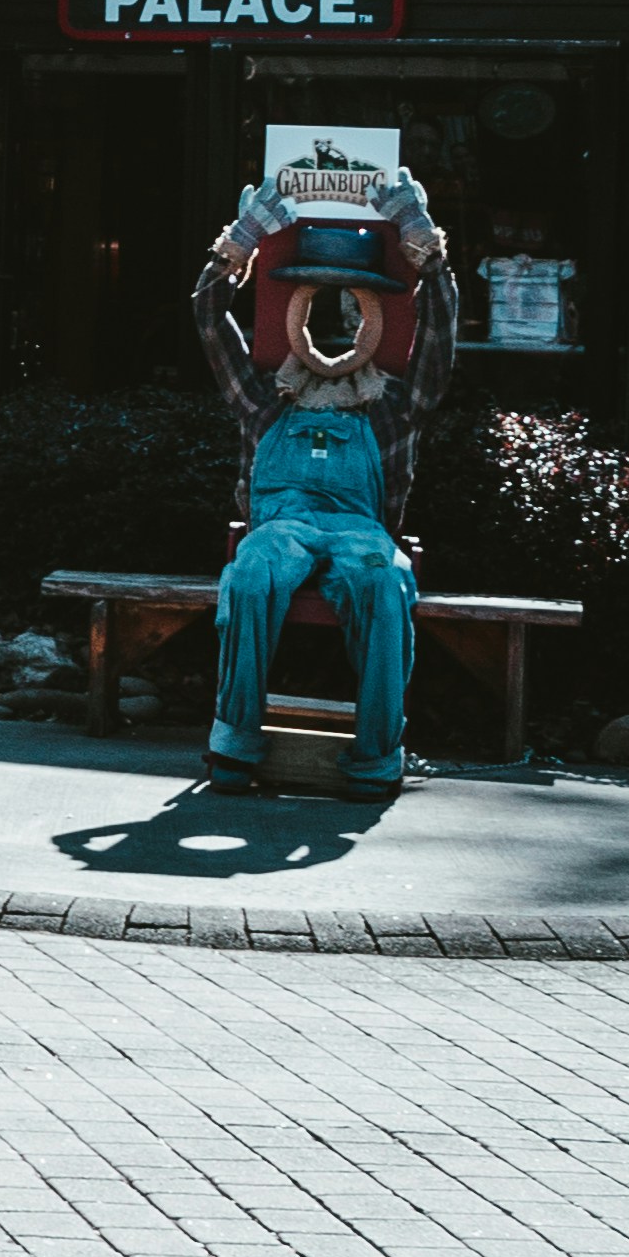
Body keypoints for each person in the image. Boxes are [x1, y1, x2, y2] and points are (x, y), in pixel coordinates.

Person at [192, 172, 454, 800]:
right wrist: (240, 244)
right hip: (279, 528)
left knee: (385, 584)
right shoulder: (265, 403)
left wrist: (425, 247)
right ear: (296, 311)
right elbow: (208, 317)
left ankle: (376, 758)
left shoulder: (391, 409)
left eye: (358, 303)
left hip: (360, 533)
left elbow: (438, 337)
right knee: (250, 575)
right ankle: (234, 744)